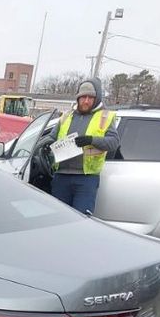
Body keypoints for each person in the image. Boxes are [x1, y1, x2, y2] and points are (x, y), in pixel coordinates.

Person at [50, 77, 119, 215]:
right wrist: (48, 147)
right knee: (57, 218)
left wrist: (91, 140)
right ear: (78, 98)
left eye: (90, 97)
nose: (86, 101)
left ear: (97, 98)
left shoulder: (104, 117)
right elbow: (51, 138)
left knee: (81, 220)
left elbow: (114, 142)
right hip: (61, 176)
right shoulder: (66, 116)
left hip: (86, 178)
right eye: (83, 97)